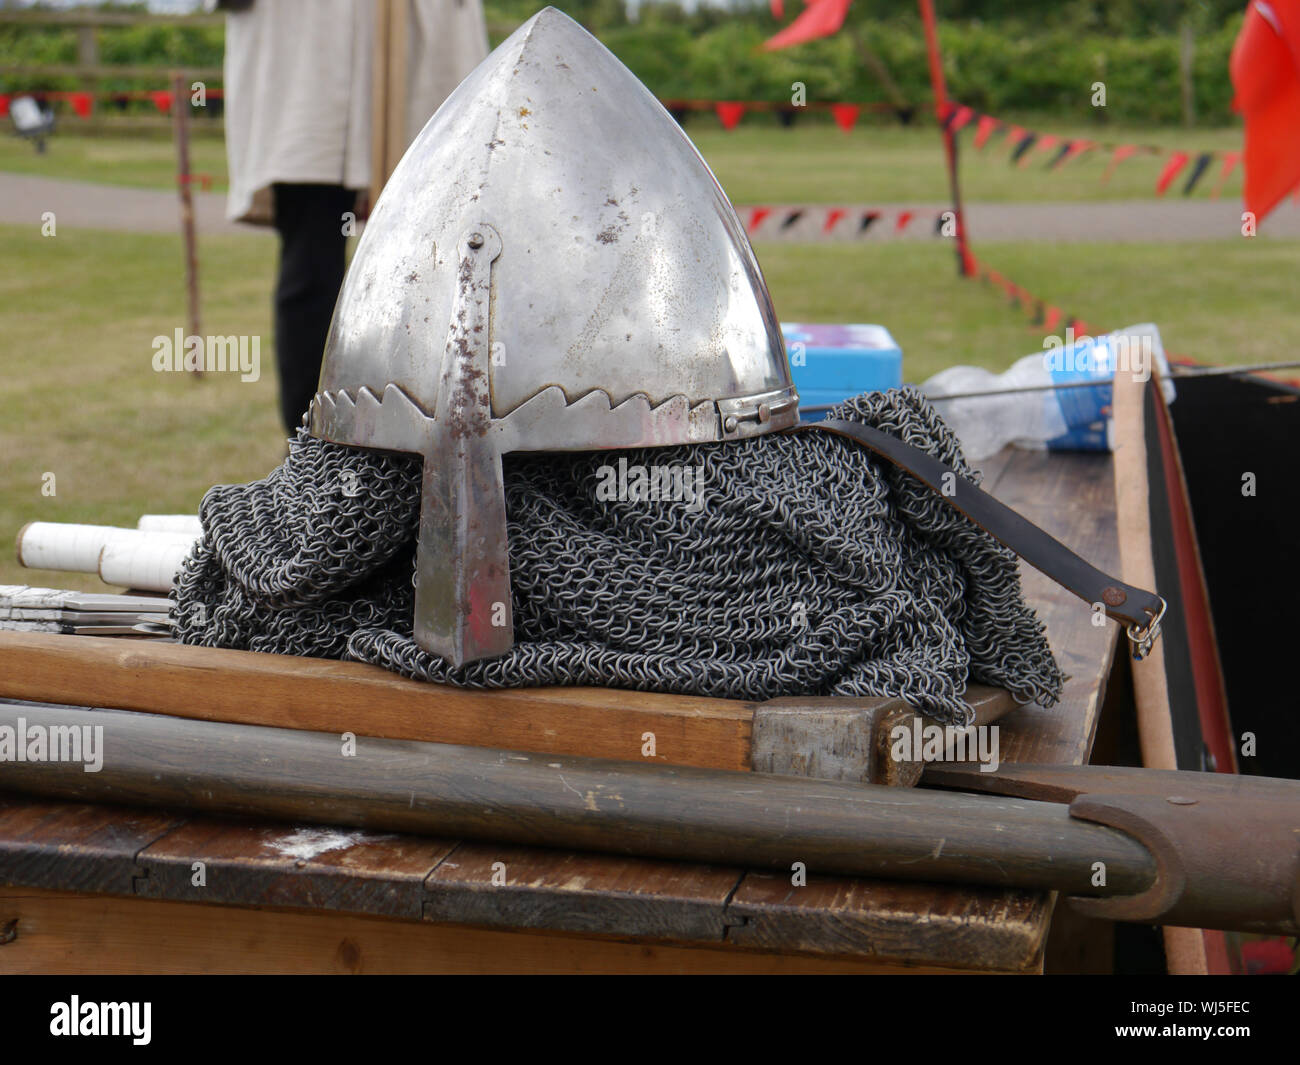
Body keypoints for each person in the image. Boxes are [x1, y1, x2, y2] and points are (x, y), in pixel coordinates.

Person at [219, 0, 488, 434]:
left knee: (435, 259)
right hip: (310, 50)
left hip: (420, 42)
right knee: (312, 262)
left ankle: (431, 446)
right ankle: (308, 451)